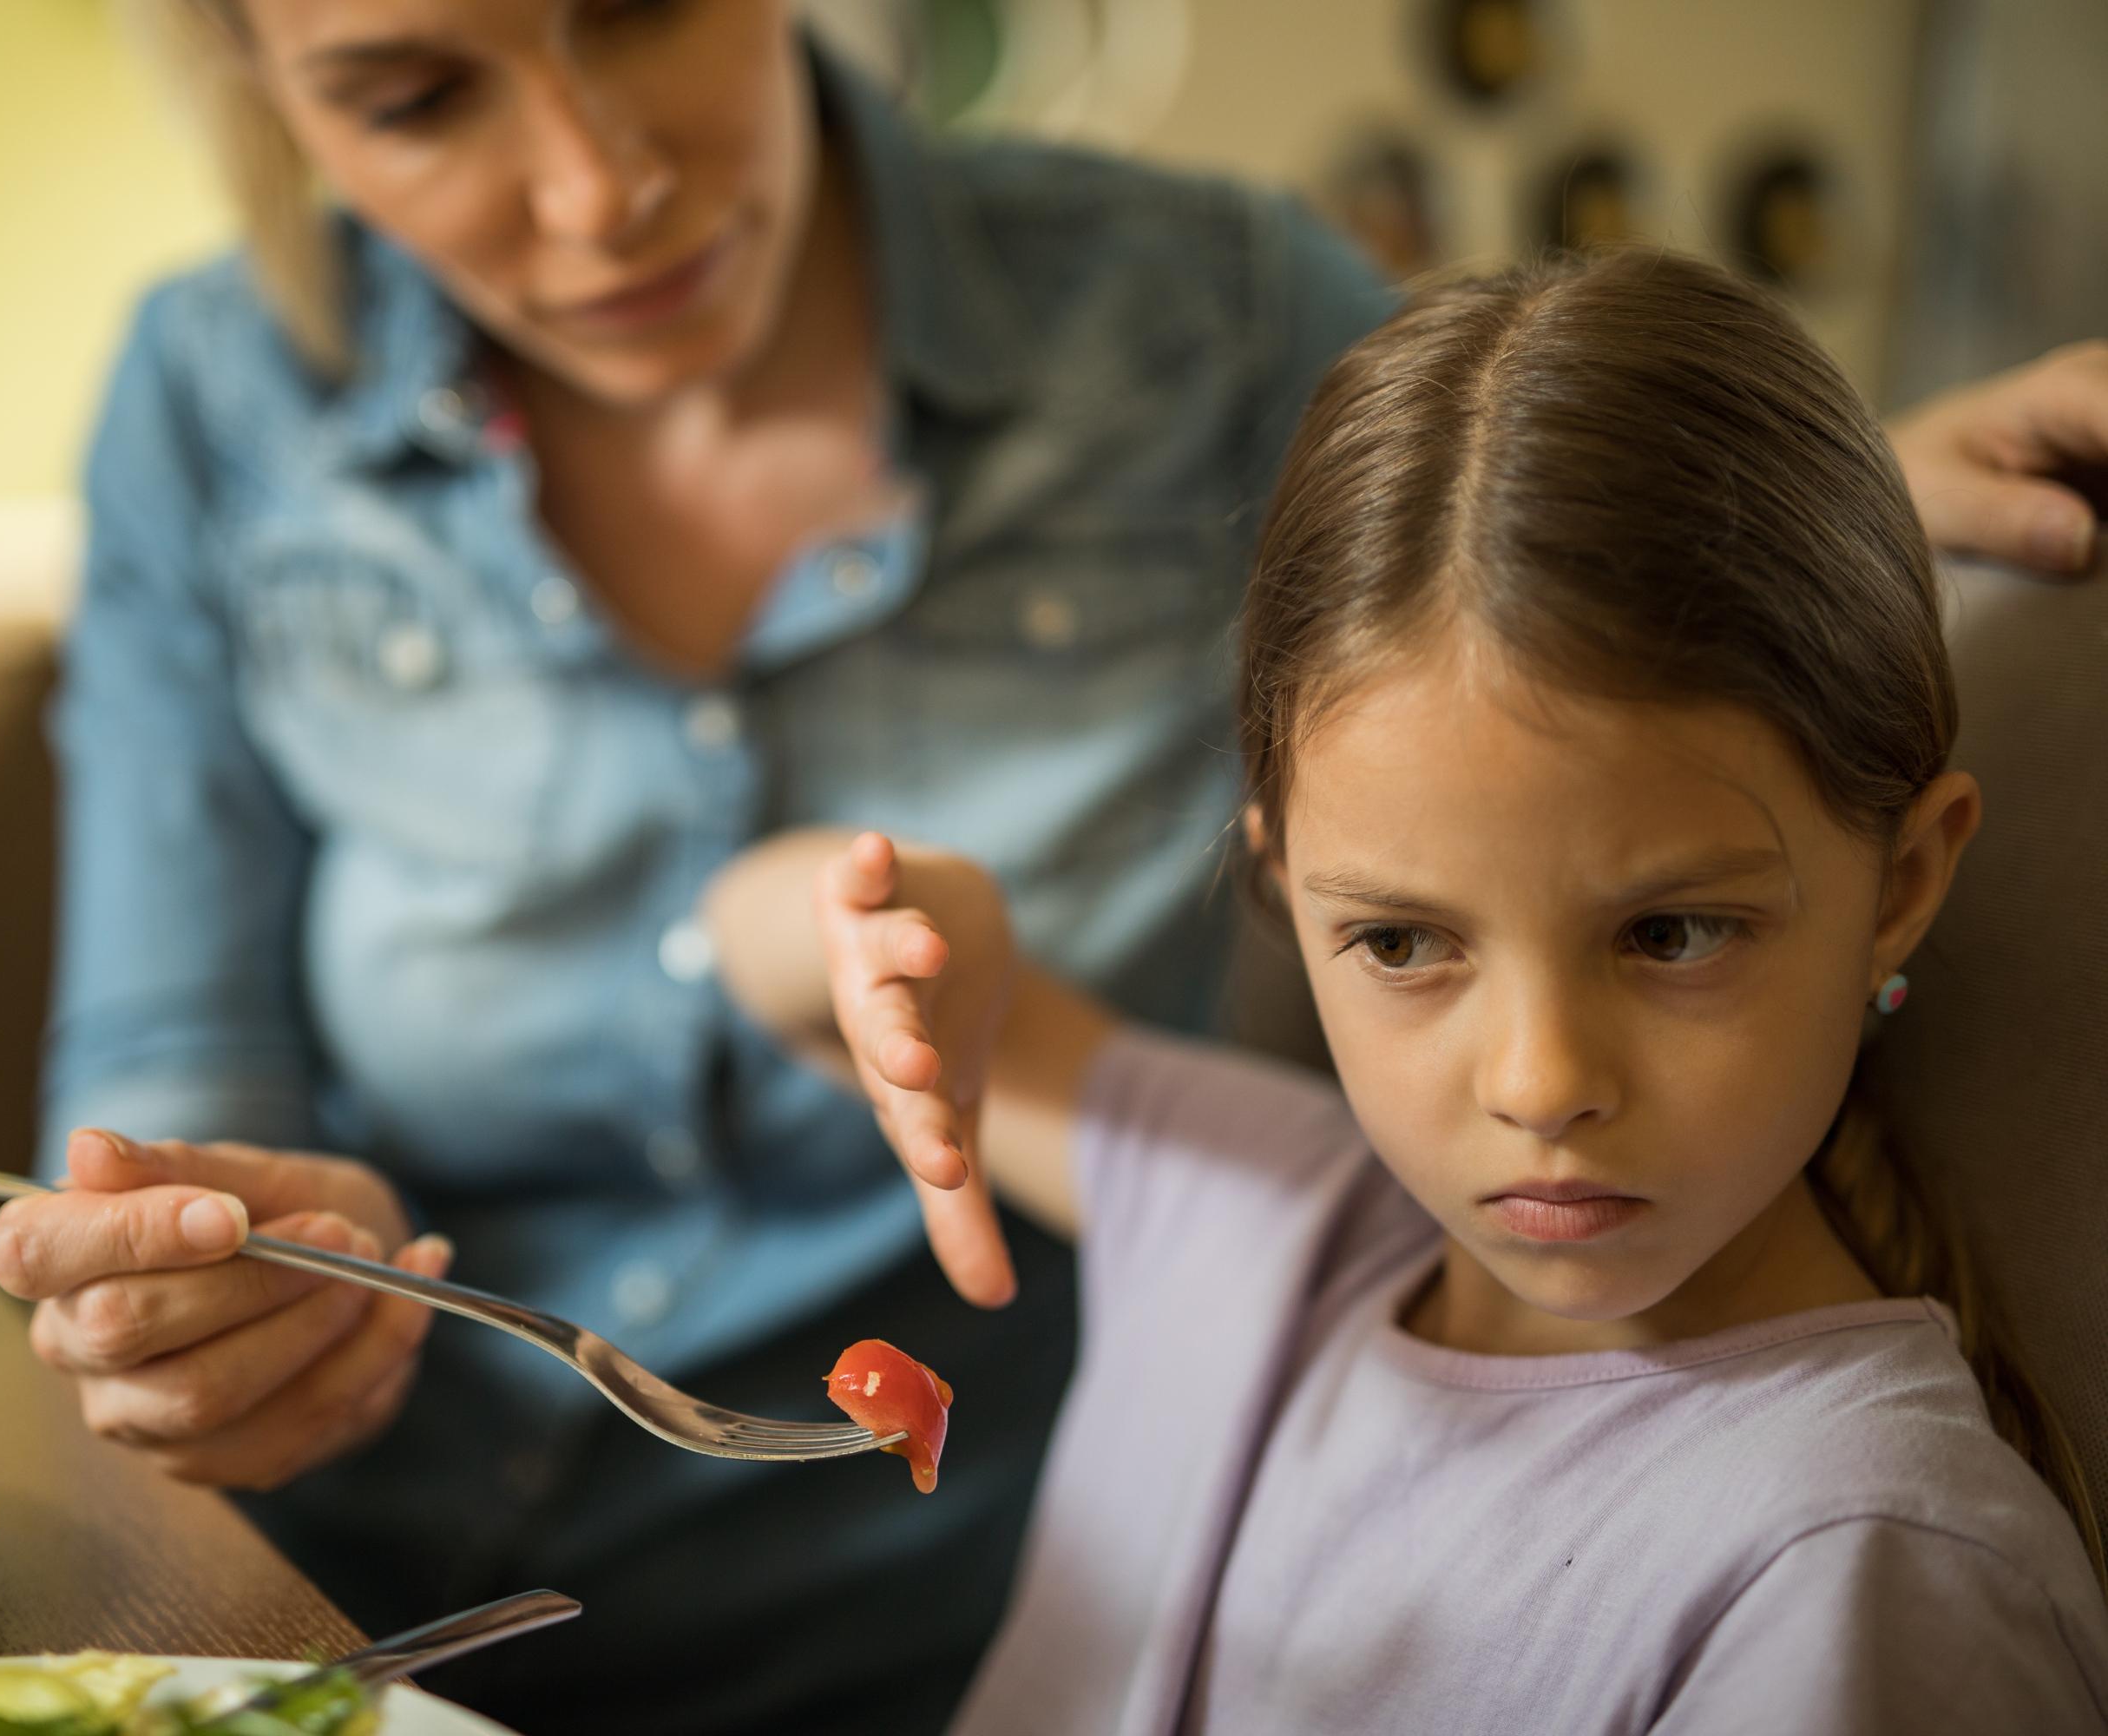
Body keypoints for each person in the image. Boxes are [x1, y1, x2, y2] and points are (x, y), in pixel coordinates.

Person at [0, 3, 2108, 1729]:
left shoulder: (1204, 323)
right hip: (330, 1593)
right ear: (259, 80)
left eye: (639, 6)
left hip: (899, 1626)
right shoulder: (209, 400)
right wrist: (220, 1256)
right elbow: (186, 1054)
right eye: (417, 91)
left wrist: (1849, 516)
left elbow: (1513, 555)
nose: (595, 179)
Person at [705, 248, 2108, 1733]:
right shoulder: (1256, 1218)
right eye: (1398, 945)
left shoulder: (1861, 1572)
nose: (1537, 1079)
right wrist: (885, 919)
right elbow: (770, 968)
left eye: (1675, 935)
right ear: (1286, 884)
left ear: (1901, 884)